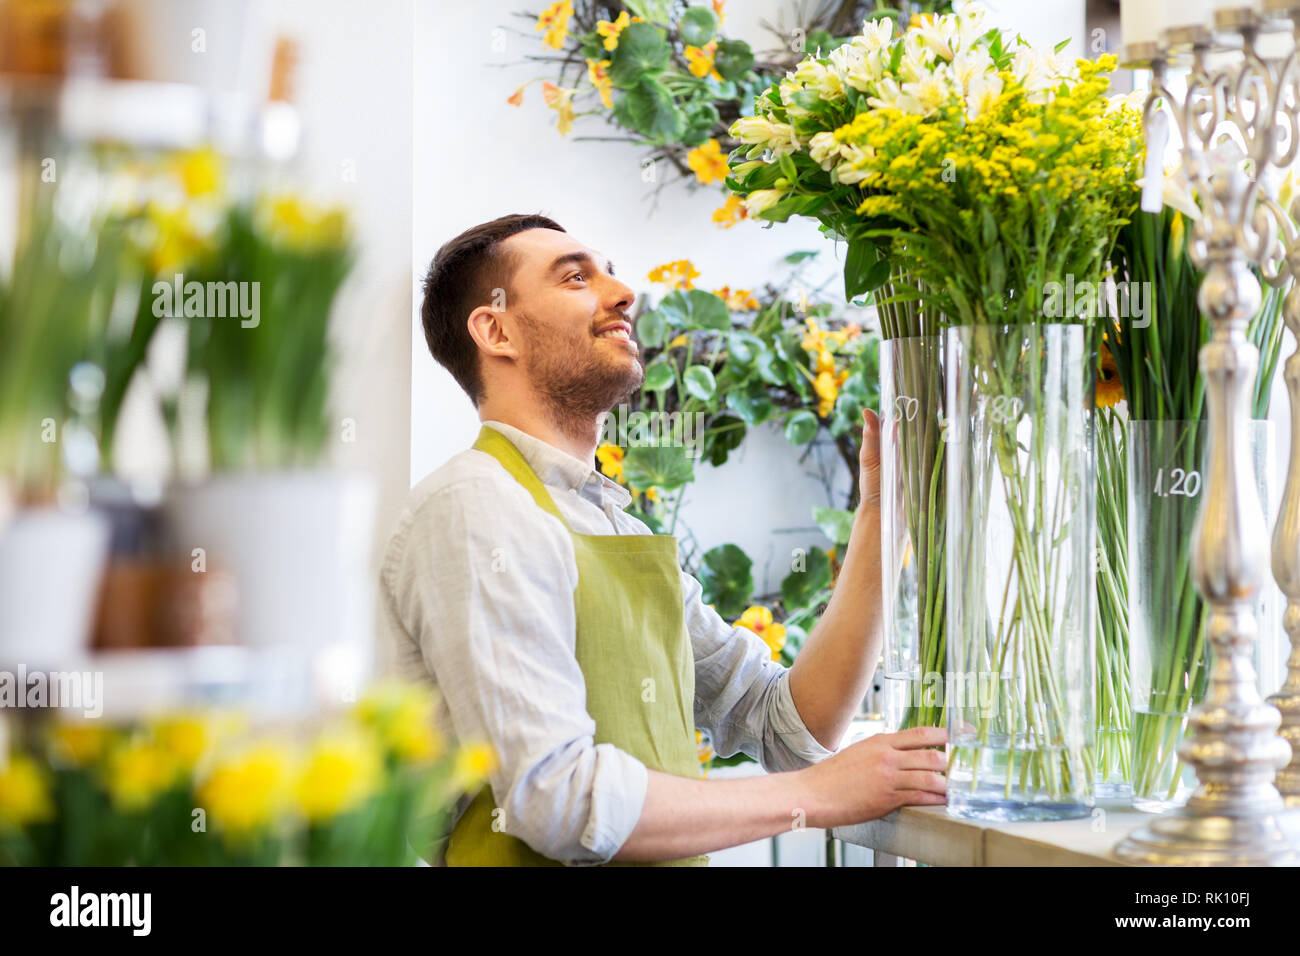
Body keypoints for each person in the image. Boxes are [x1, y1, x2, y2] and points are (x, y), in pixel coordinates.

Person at [380, 213, 947, 867]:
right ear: (496, 328)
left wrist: (882, 516)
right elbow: (554, 799)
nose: (623, 294)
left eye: (612, 274)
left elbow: (788, 723)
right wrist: (815, 795)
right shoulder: (475, 507)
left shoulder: (614, 526)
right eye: (575, 278)